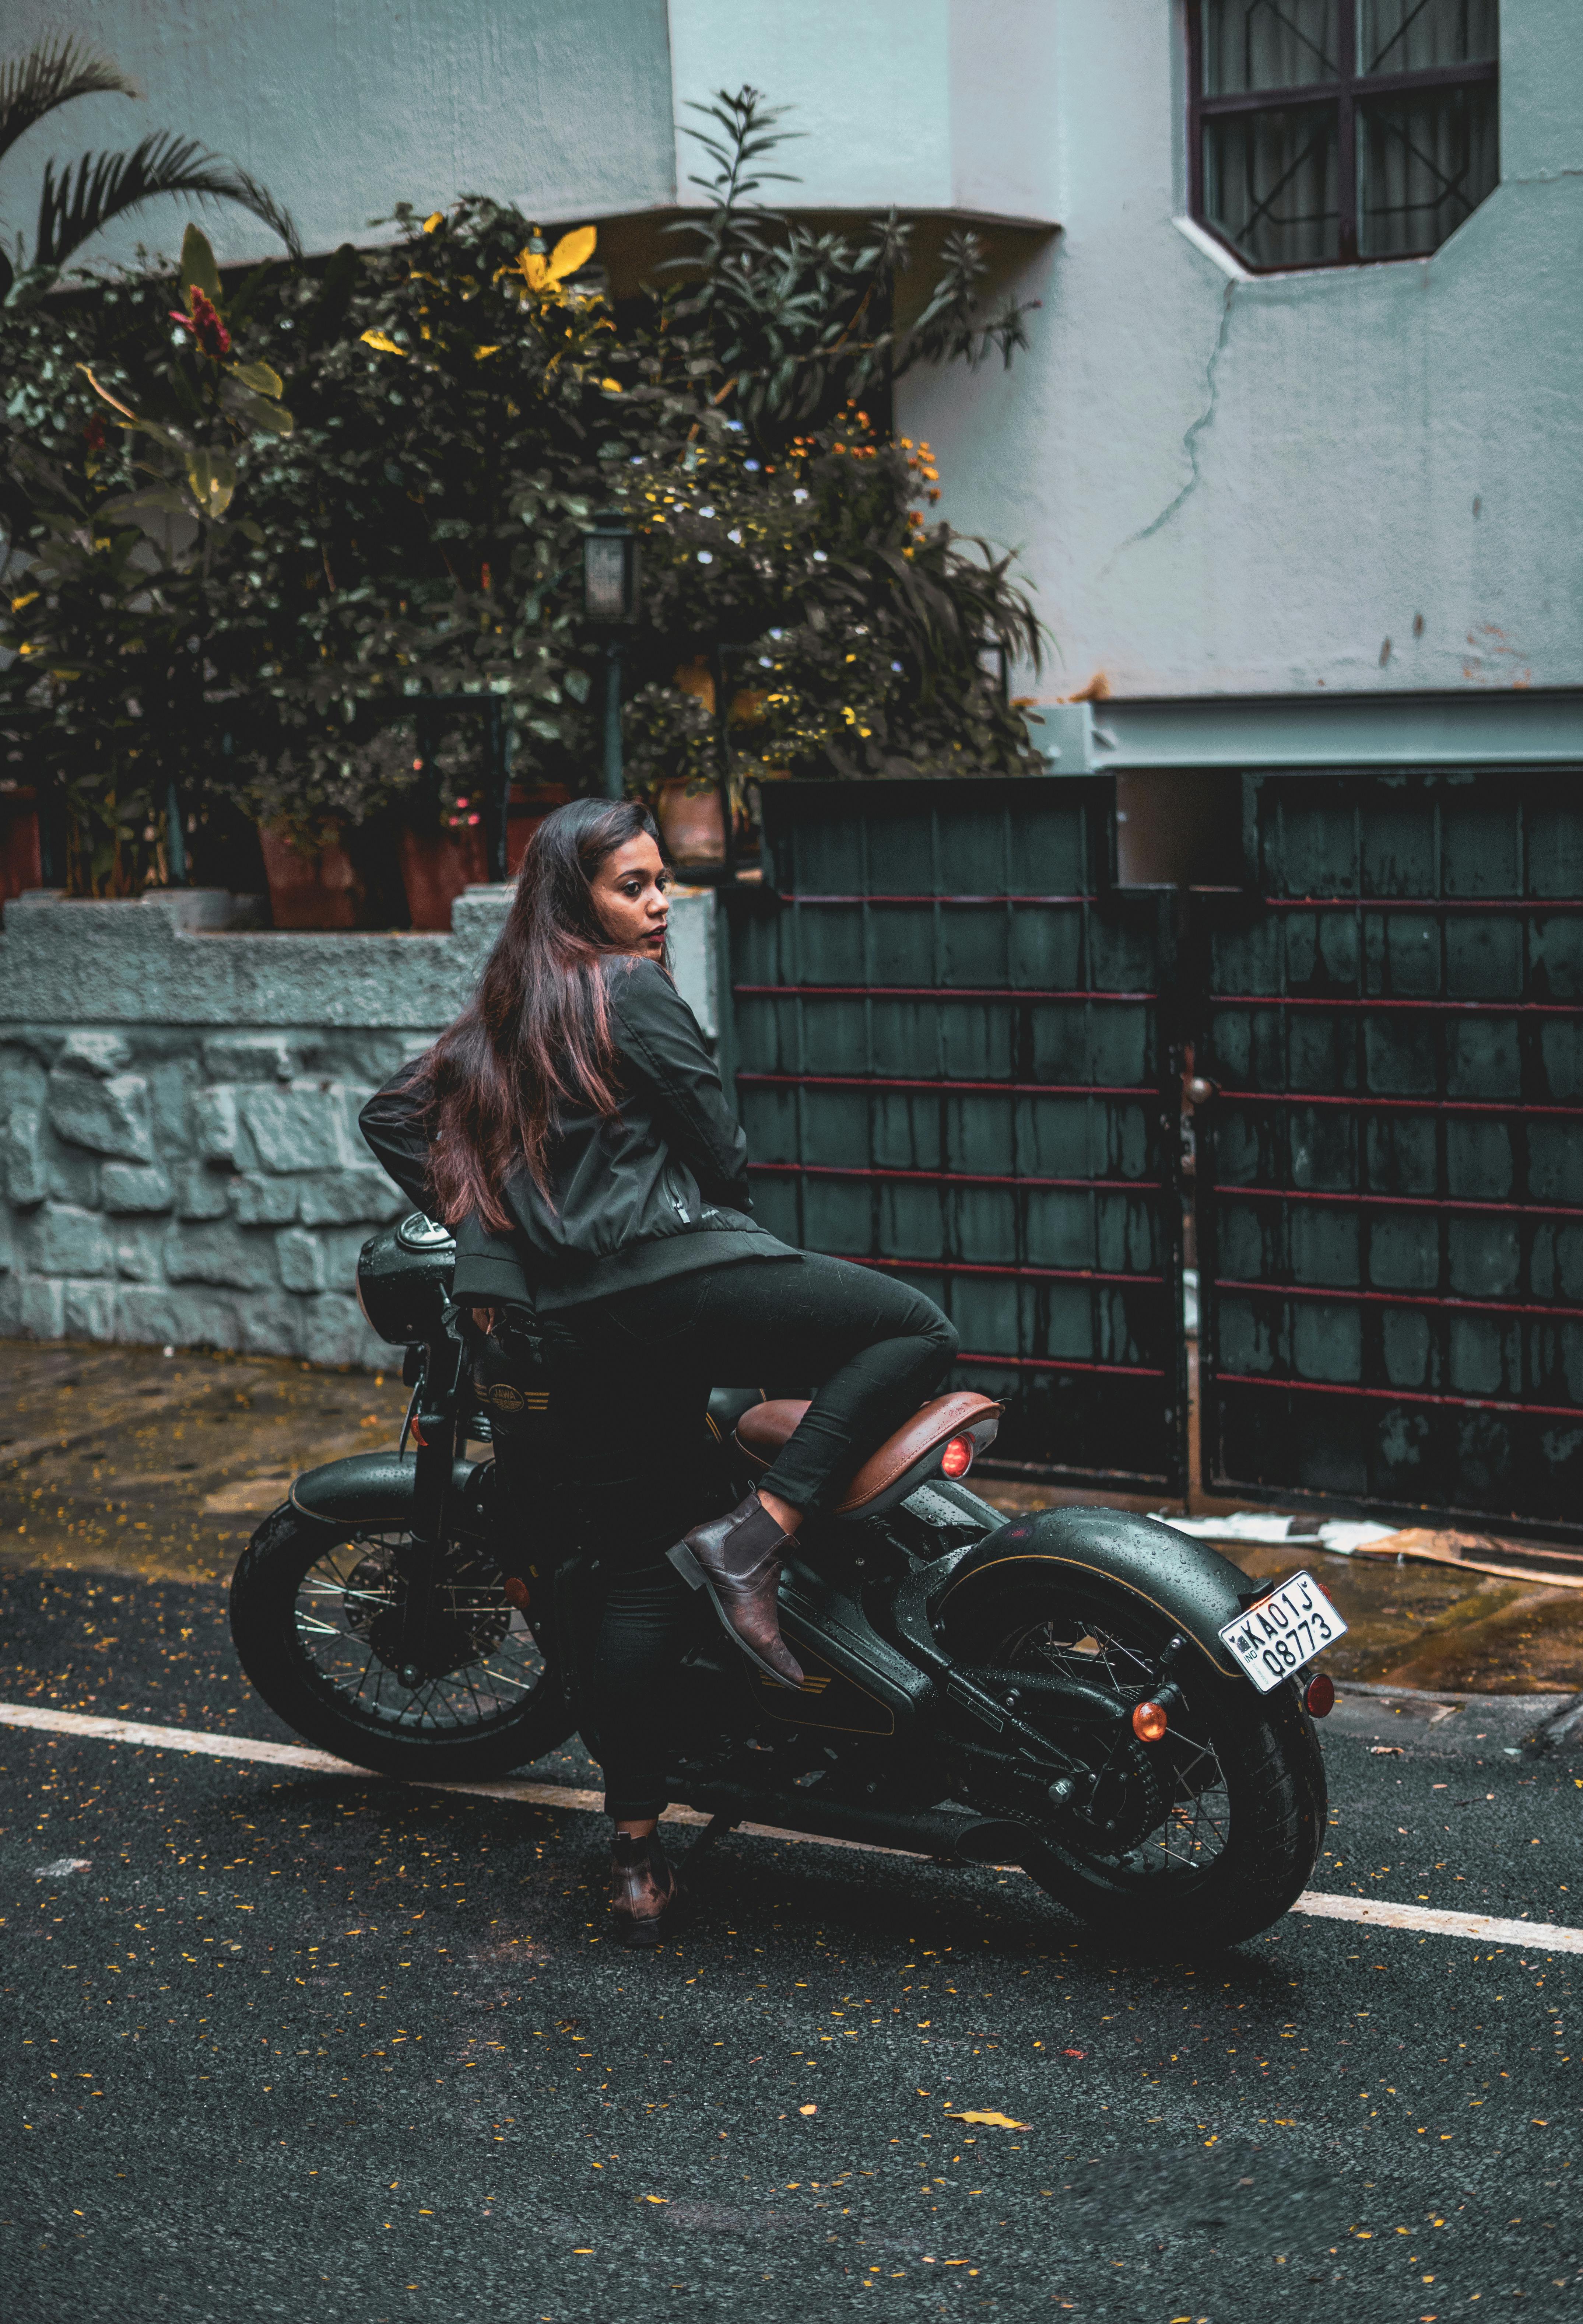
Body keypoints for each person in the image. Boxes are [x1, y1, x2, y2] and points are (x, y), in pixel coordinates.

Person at [359, 798, 957, 1942]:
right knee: (911, 1329)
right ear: (574, 895)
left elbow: (392, 1116)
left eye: (658, 881)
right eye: (633, 884)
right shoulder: (630, 993)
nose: (658, 900)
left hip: (571, 1332)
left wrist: (494, 1215)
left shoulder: (502, 1015)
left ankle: (634, 1849)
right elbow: (719, 1146)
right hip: (675, 1284)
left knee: (628, 1567)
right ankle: (762, 1529)